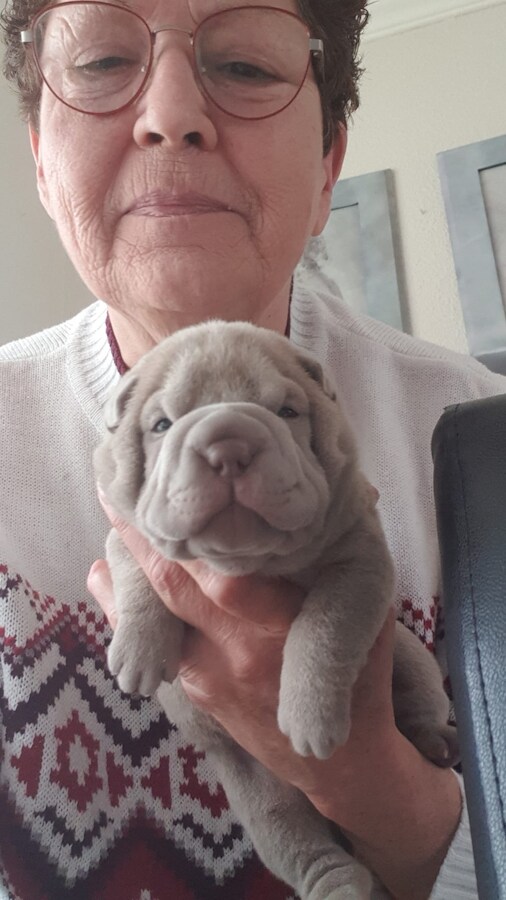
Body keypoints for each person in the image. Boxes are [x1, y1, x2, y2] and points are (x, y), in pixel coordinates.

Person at [0, 0, 504, 897]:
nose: (170, 114)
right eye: (103, 62)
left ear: (327, 168)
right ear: (40, 160)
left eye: (244, 67)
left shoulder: (482, 436)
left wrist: (377, 786)